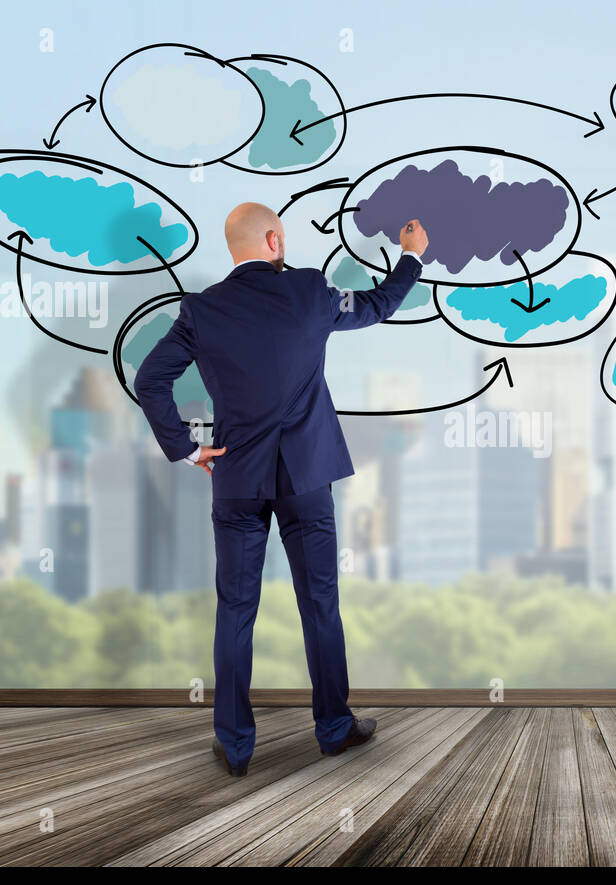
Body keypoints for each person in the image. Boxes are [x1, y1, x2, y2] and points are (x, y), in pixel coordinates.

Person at [135, 202, 428, 775]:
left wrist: (189, 449)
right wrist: (411, 255)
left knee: (235, 610)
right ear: (274, 240)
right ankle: (335, 728)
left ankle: (236, 746)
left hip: (236, 479)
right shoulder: (310, 292)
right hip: (304, 479)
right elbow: (379, 306)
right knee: (320, 603)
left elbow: (150, 380)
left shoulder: (201, 309)